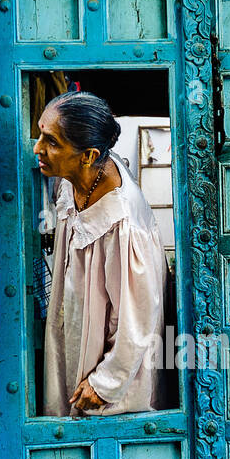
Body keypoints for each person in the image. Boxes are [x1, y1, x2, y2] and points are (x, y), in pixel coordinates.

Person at [36, 91, 168, 417]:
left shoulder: (123, 221)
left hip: (113, 370)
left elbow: (139, 321)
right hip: (76, 336)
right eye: (40, 133)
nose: (38, 148)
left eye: (51, 141)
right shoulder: (72, 180)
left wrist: (105, 383)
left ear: (87, 155)